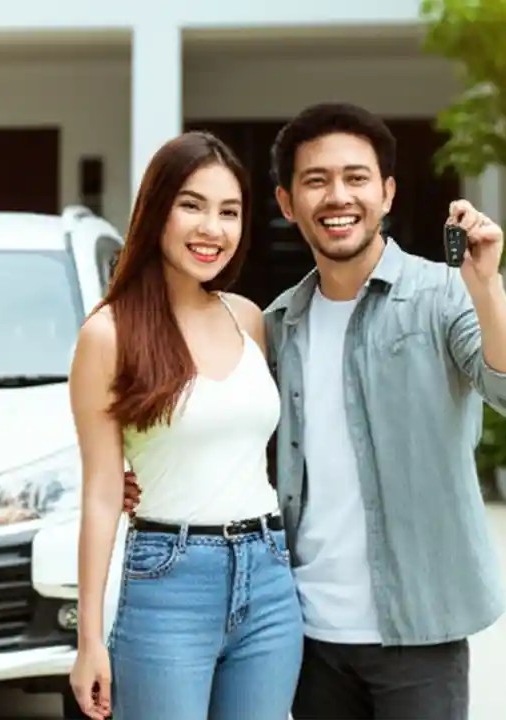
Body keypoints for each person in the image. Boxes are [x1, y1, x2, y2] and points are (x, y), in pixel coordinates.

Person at [123, 102, 506, 719]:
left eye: (356, 178)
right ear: (286, 201)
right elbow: (216, 423)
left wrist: (486, 286)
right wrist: (127, 466)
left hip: (419, 631)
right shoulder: (275, 323)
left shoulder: (442, 295)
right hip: (305, 630)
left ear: (386, 192)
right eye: (316, 180)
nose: (337, 196)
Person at [67, 130, 305, 720]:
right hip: (168, 581)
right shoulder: (108, 335)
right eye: (192, 205)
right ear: (157, 211)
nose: (212, 229)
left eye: (229, 212)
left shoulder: (247, 318)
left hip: (270, 579)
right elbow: (100, 492)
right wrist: (89, 640)